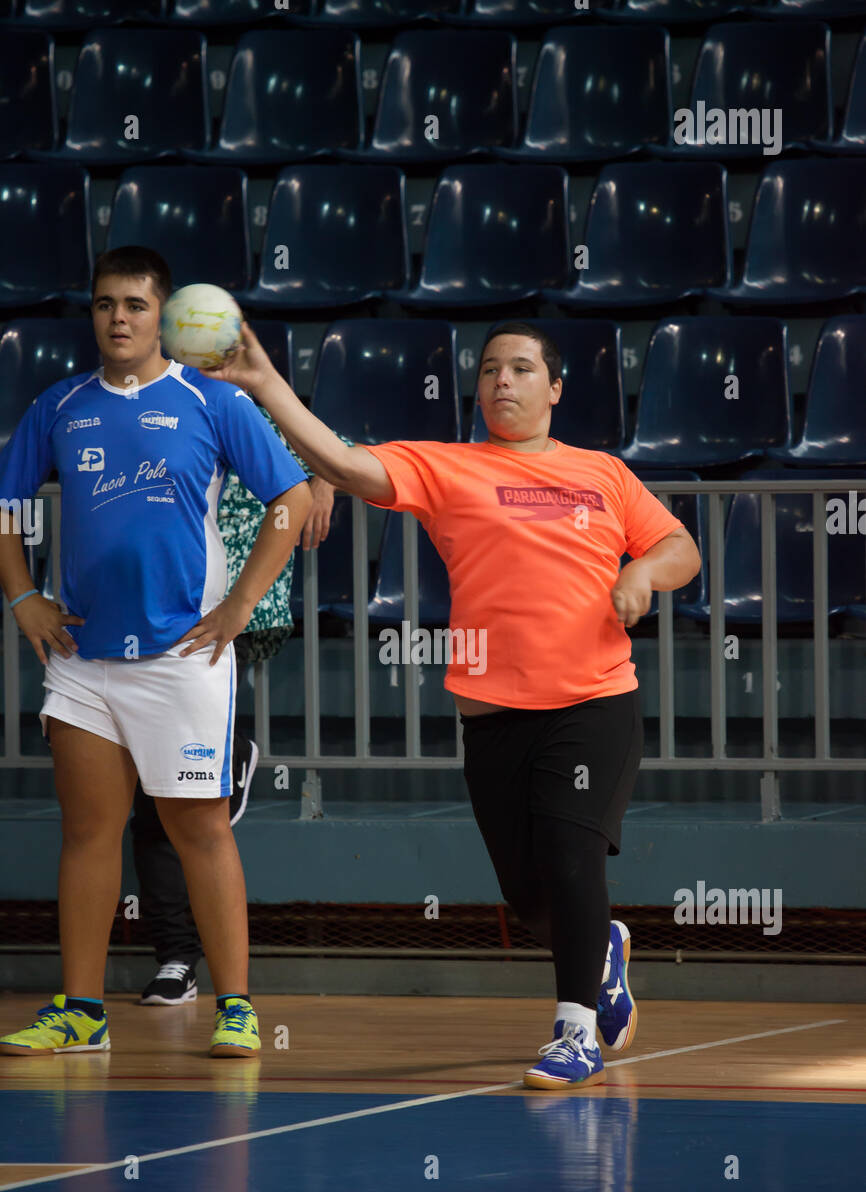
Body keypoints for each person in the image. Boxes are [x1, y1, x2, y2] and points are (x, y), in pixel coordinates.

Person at [202, 318, 701, 1089]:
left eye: (523, 368)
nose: (503, 380)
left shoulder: (603, 475)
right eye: (492, 368)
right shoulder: (448, 469)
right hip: (491, 717)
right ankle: (601, 946)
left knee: (572, 858)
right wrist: (267, 382)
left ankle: (574, 1034)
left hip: (593, 704)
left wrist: (641, 576)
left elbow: (681, 549)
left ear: (555, 389)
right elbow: (343, 463)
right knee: (528, 895)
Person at [0, 246, 312, 1057]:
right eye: (105, 305)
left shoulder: (211, 401)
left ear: (163, 314)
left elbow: (294, 496)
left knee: (199, 828)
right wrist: (23, 596)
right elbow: (3, 506)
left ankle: (236, 1006)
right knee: (88, 833)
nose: (118, 319)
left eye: (135, 305)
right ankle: (81, 1012)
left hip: (186, 655)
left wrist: (240, 604)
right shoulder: (61, 405)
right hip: (83, 658)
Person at [134, 408, 336, 1005]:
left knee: (177, 806)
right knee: (150, 806)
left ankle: (230, 746)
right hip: (149, 613)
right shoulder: (137, 411)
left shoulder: (250, 409)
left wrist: (322, 480)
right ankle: (176, 960)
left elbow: (344, 449)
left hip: (239, 608)